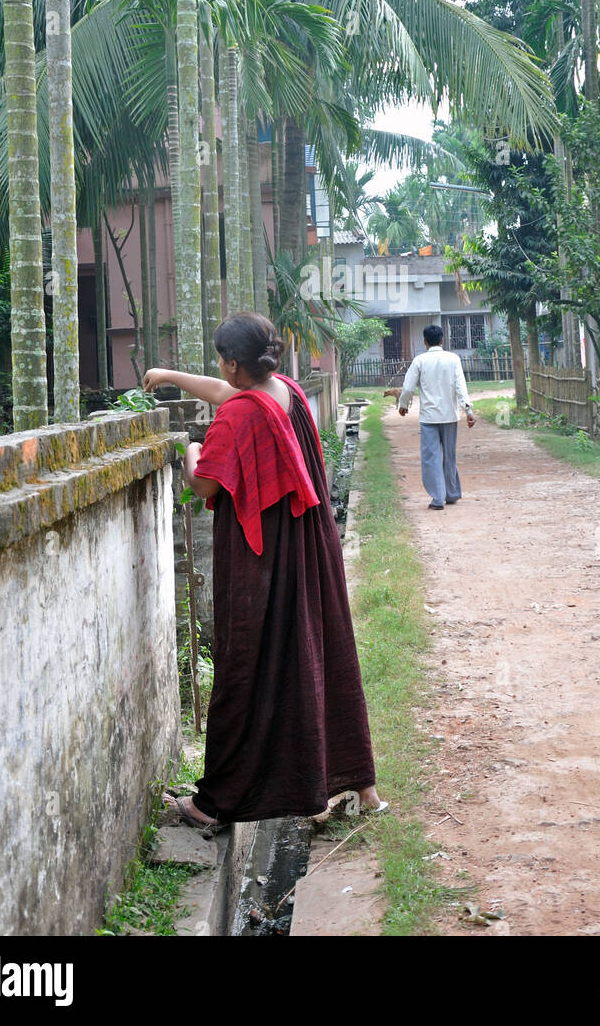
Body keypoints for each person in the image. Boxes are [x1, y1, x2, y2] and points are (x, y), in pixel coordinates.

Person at [143, 312, 385, 828]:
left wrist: (189, 449)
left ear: (233, 364)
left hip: (263, 565)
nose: (220, 372)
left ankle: (211, 805)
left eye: (221, 363)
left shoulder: (239, 417)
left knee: (245, 672)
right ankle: (362, 788)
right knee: (324, 652)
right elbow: (227, 392)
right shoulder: (288, 393)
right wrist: (169, 376)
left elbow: (205, 485)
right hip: (309, 549)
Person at [397, 324, 475, 510]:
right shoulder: (453, 359)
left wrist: (403, 405)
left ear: (424, 342)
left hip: (429, 418)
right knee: (450, 455)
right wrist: (468, 411)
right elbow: (460, 387)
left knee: (431, 457)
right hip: (450, 416)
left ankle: (438, 498)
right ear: (442, 340)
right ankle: (452, 493)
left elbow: (408, 388)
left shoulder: (420, 360)